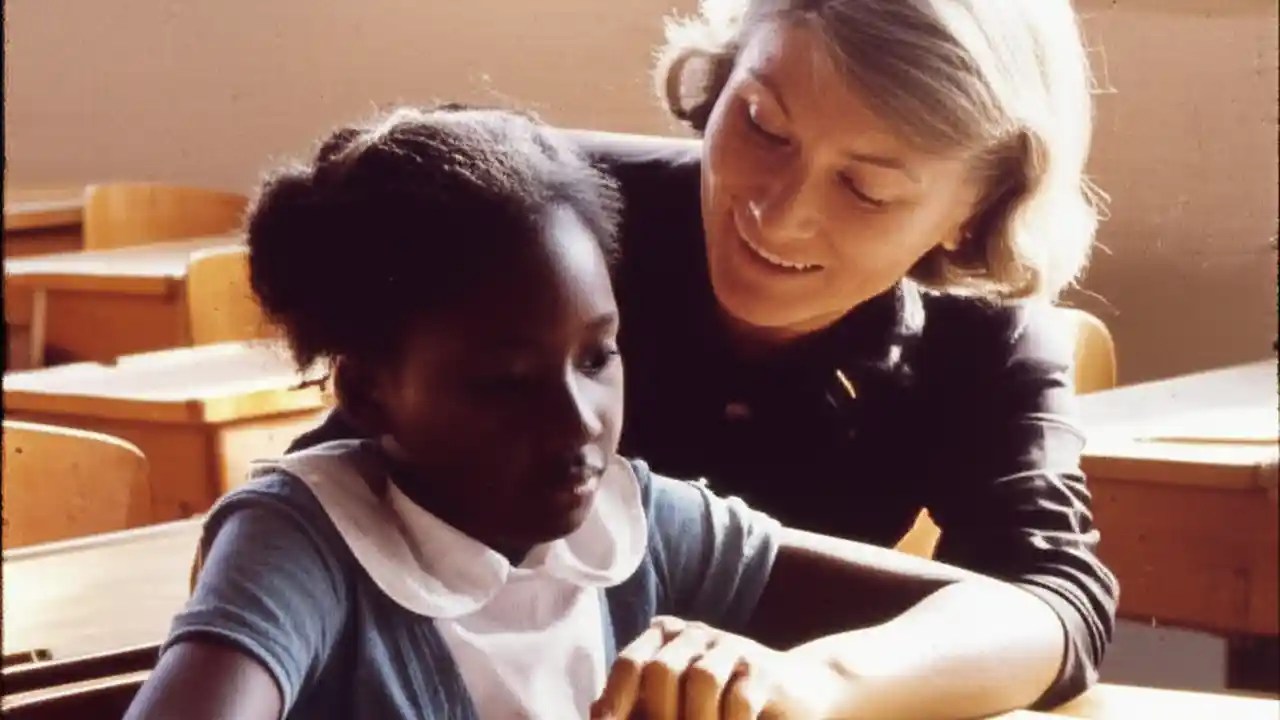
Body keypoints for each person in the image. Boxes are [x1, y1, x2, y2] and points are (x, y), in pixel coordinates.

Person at [293, 0, 1119, 712]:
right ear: (721, 76)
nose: (778, 211)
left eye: (866, 188)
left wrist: (821, 681)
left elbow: (1052, 603)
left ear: (973, 214)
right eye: (762, 125)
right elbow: (329, 490)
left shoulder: (988, 335)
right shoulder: (551, 224)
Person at [127, 107, 1075, 720]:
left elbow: (1021, 622)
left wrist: (803, 681)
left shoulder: (637, 522)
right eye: (506, 382)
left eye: (599, 357)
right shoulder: (309, 543)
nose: (578, 418)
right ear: (370, 392)